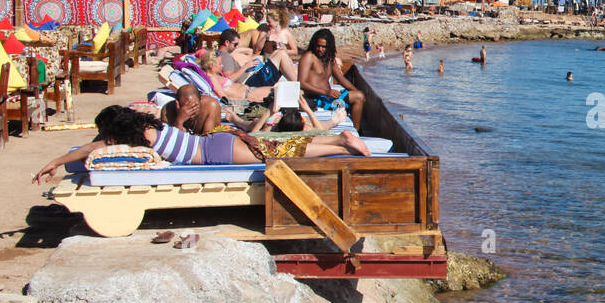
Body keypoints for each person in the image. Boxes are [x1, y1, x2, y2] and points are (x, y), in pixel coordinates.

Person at [33, 105, 370, 181]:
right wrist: (56, 161)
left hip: (215, 151)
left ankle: (341, 140)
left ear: (113, 132)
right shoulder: (150, 124)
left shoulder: (137, 139)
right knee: (282, 147)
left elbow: (89, 150)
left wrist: (56, 162)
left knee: (282, 152)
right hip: (216, 141)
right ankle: (340, 142)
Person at [299, 28, 365, 127]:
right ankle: (356, 129)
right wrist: (326, 92)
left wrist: (355, 90)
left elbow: (341, 79)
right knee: (358, 96)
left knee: (360, 96)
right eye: (318, 46)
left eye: (323, 47)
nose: (320, 49)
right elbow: (301, 82)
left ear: (329, 47)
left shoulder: (329, 59)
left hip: (328, 98)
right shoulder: (309, 57)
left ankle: (356, 130)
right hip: (315, 100)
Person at [198, 50, 273, 103]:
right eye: (220, 64)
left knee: (277, 92)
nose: (222, 65)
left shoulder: (215, 76)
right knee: (276, 93)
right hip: (248, 95)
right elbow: (224, 98)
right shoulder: (212, 79)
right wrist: (245, 102)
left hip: (249, 92)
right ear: (211, 66)